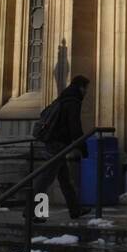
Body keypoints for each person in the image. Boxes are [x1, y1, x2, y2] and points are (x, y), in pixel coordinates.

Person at [28, 75, 90, 221]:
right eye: (86, 88)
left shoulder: (63, 98)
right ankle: (34, 212)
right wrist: (83, 146)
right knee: (45, 179)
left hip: (55, 142)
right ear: (81, 87)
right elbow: (75, 127)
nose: (87, 92)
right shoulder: (73, 101)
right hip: (58, 143)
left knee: (65, 179)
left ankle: (75, 210)